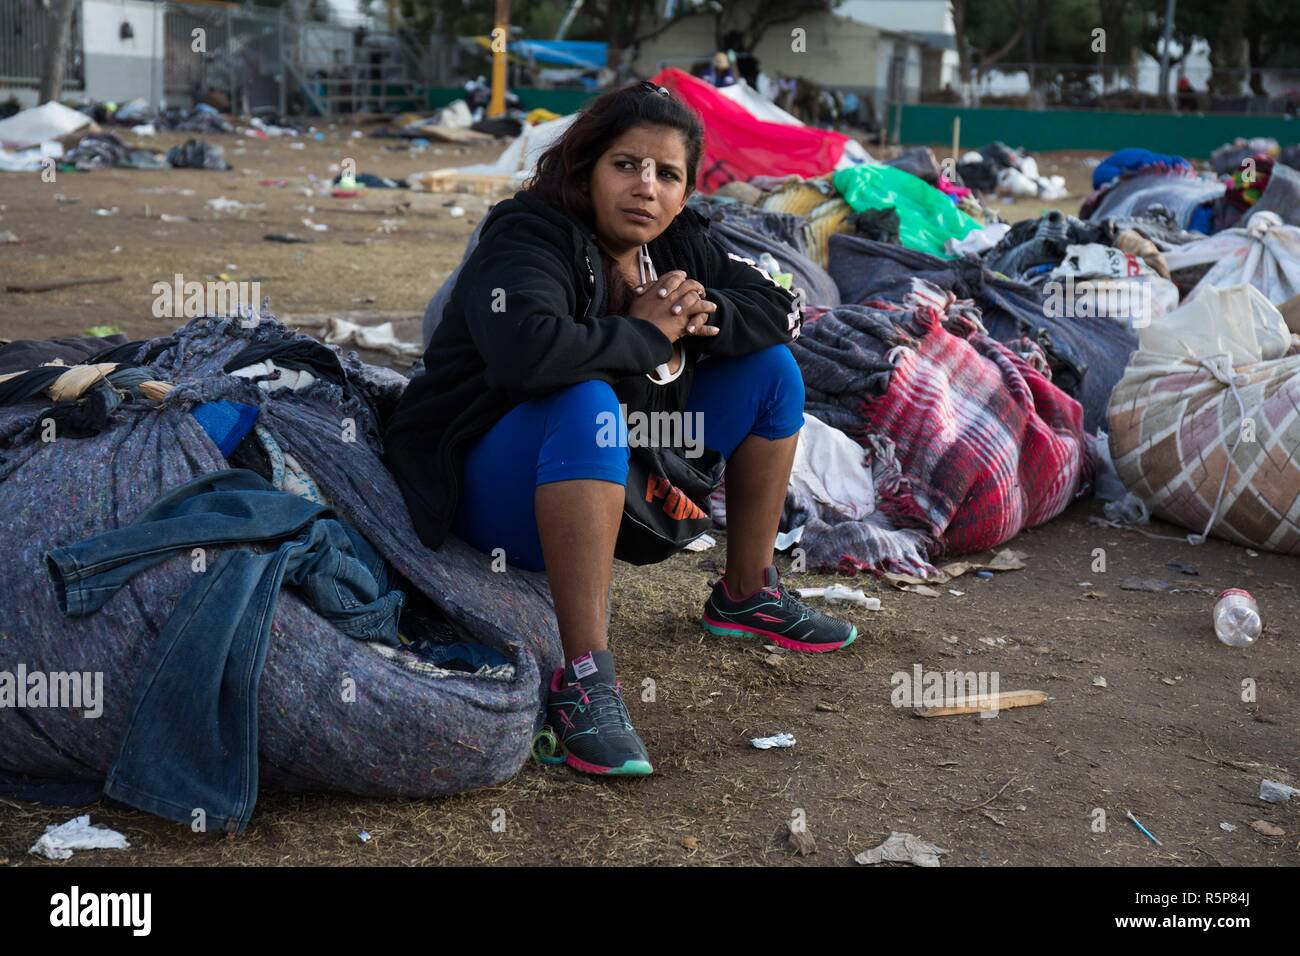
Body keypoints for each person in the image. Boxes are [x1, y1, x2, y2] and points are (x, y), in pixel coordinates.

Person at [383, 82, 856, 778]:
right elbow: (526, 352)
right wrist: (643, 332)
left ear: (686, 189)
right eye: (626, 165)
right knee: (584, 404)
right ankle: (583, 680)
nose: (647, 188)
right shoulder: (527, 236)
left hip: (617, 466)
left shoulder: (679, 243)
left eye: (668, 175)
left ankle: (746, 592)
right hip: (487, 484)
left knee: (772, 370)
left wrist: (699, 309)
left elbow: (782, 305)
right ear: (584, 167)